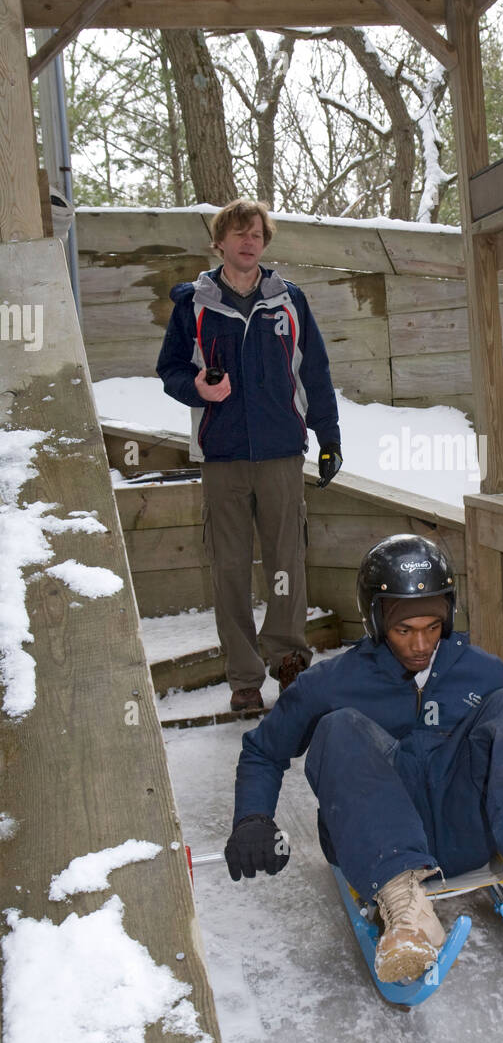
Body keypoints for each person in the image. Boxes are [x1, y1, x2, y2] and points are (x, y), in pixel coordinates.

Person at [224, 534, 503, 983]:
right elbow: (262, 752)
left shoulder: (481, 670)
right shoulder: (332, 682)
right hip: (376, 835)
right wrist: (252, 818)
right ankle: (407, 915)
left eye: (432, 627)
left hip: (467, 827)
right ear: (376, 621)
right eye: (404, 630)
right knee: (339, 726)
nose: (421, 644)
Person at [156, 198, 341, 715]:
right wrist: (196, 387)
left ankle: (288, 660)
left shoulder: (289, 301)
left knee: (287, 563)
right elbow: (169, 369)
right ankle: (243, 678)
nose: (248, 241)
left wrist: (329, 438)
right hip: (223, 456)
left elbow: (315, 374)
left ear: (265, 241)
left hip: (283, 453)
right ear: (220, 242)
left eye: (256, 234)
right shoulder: (194, 303)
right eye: (238, 234)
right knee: (230, 568)